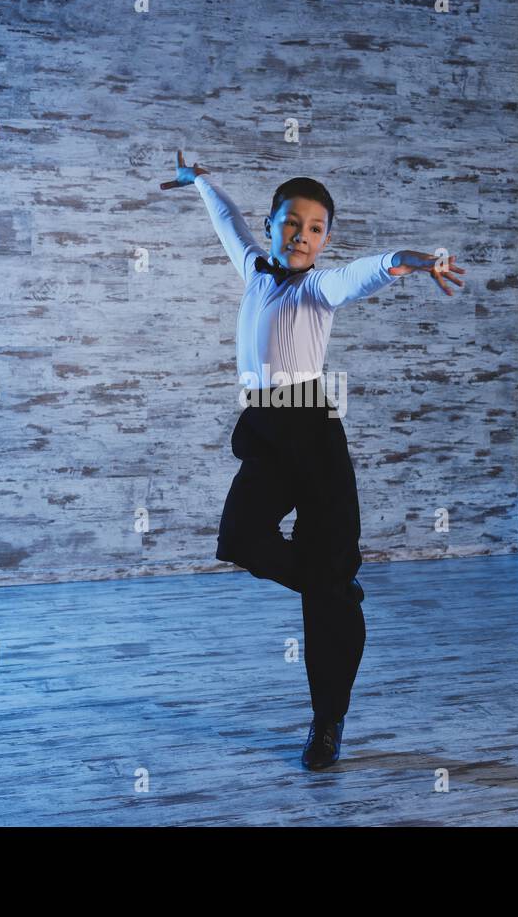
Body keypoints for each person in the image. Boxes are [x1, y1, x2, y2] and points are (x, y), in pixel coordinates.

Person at [167, 148, 465, 769]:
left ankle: (327, 722)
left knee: (322, 596)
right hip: (265, 430)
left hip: (313, 429)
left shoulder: (317, 289)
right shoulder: (253, 268)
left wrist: (410, 261)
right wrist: (200, 179)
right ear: (272, 222)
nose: (302, 235)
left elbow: (364, 272)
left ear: (325, 239)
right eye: (290, 222)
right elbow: (226, 221)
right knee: (242, 538)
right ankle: (333, 585)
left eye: (316, 228)